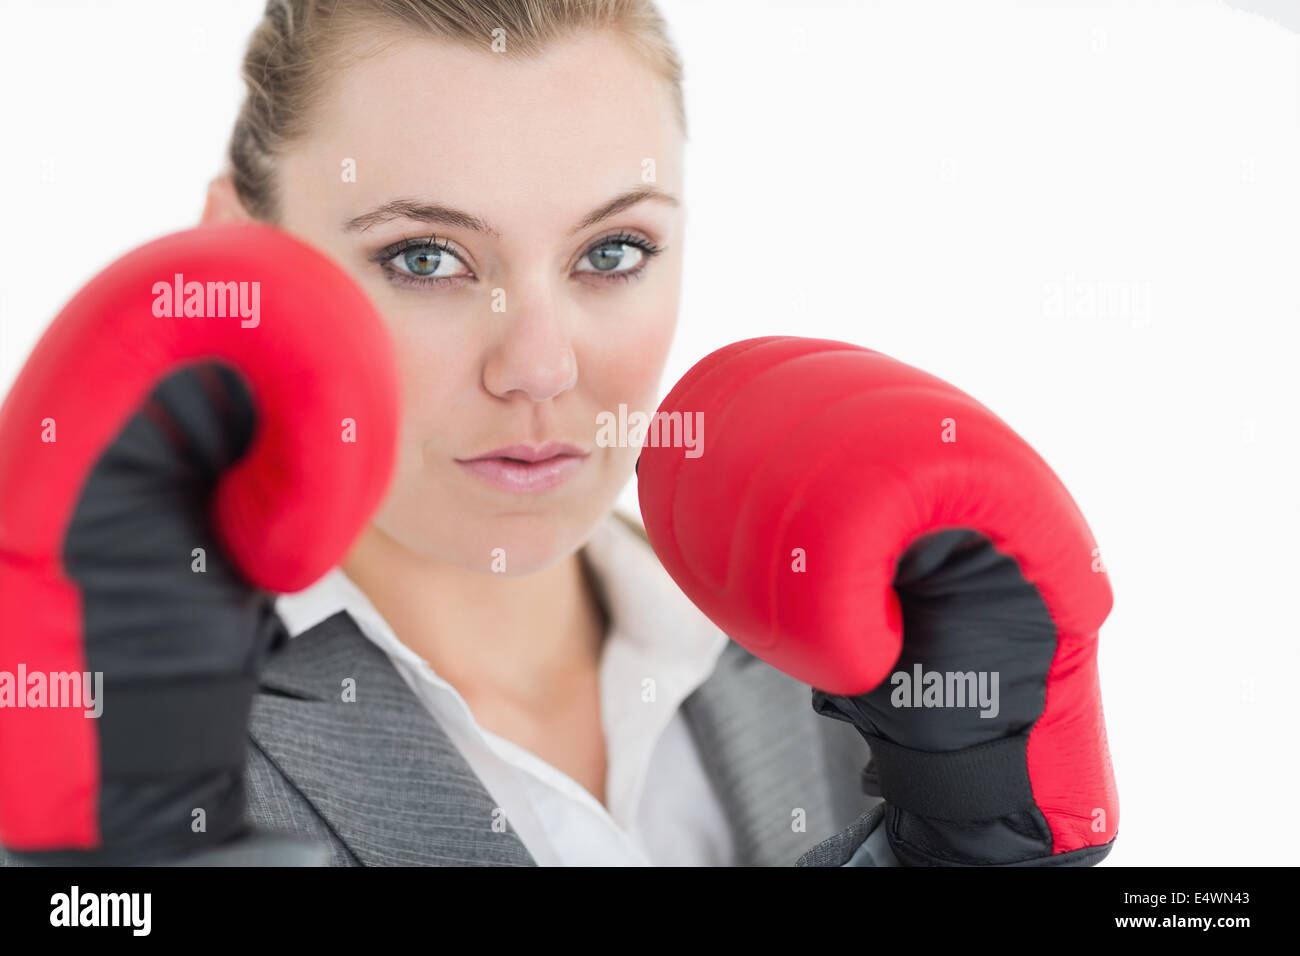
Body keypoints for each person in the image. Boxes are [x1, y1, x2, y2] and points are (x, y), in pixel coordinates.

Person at [192, 0, 877, 866]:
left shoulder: (829, 668)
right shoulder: (115, 745)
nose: (540, 366)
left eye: (612, 251)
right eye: (425, 257)